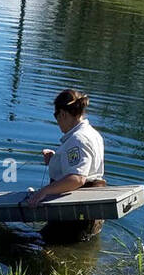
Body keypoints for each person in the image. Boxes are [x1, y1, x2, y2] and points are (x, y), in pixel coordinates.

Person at [26, 88, 105, 244]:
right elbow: (85, 167)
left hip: (73, 214)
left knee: (33, 243)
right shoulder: (92, 133)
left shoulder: (78, 139)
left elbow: (77, 179)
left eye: (56, 116)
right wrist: (56, 159)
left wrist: (43, 192)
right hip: (91, 210)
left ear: (63, 113)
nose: (57, 122)